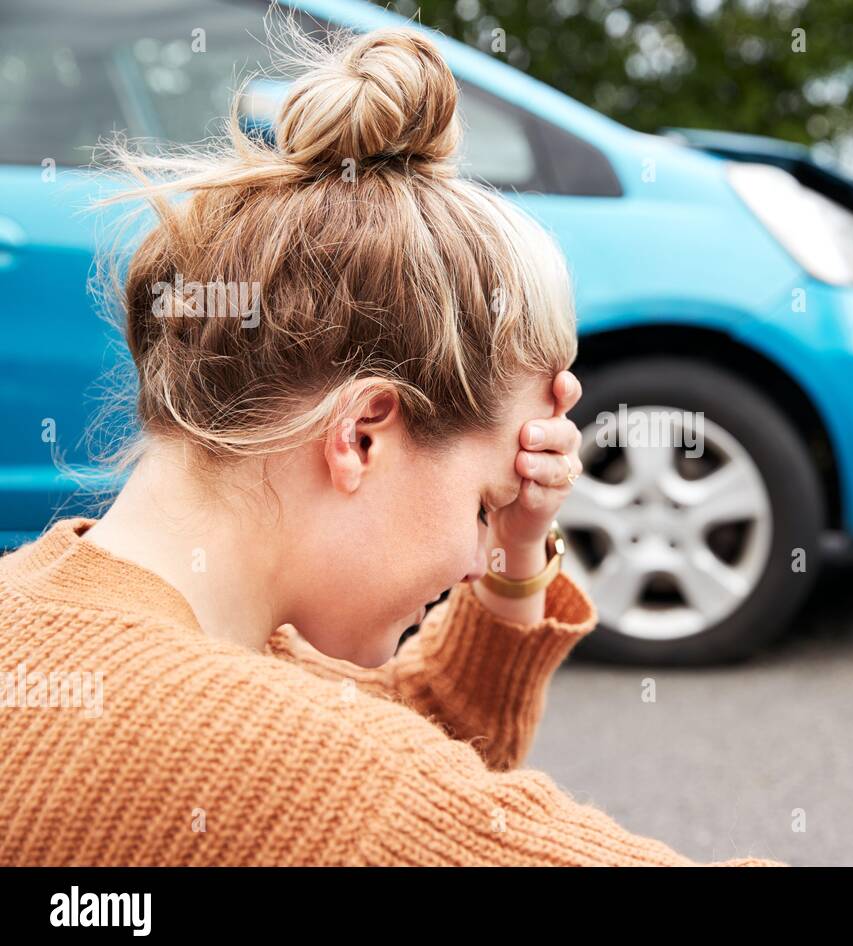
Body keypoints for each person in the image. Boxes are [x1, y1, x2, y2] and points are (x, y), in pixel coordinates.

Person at [0, 23, 783, 867]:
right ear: (361, 437)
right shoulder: (312, 779)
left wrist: (522, 551)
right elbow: (380, 792)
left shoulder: (48, 611)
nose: (478, 553)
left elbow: (402, 732)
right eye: (486, 504)